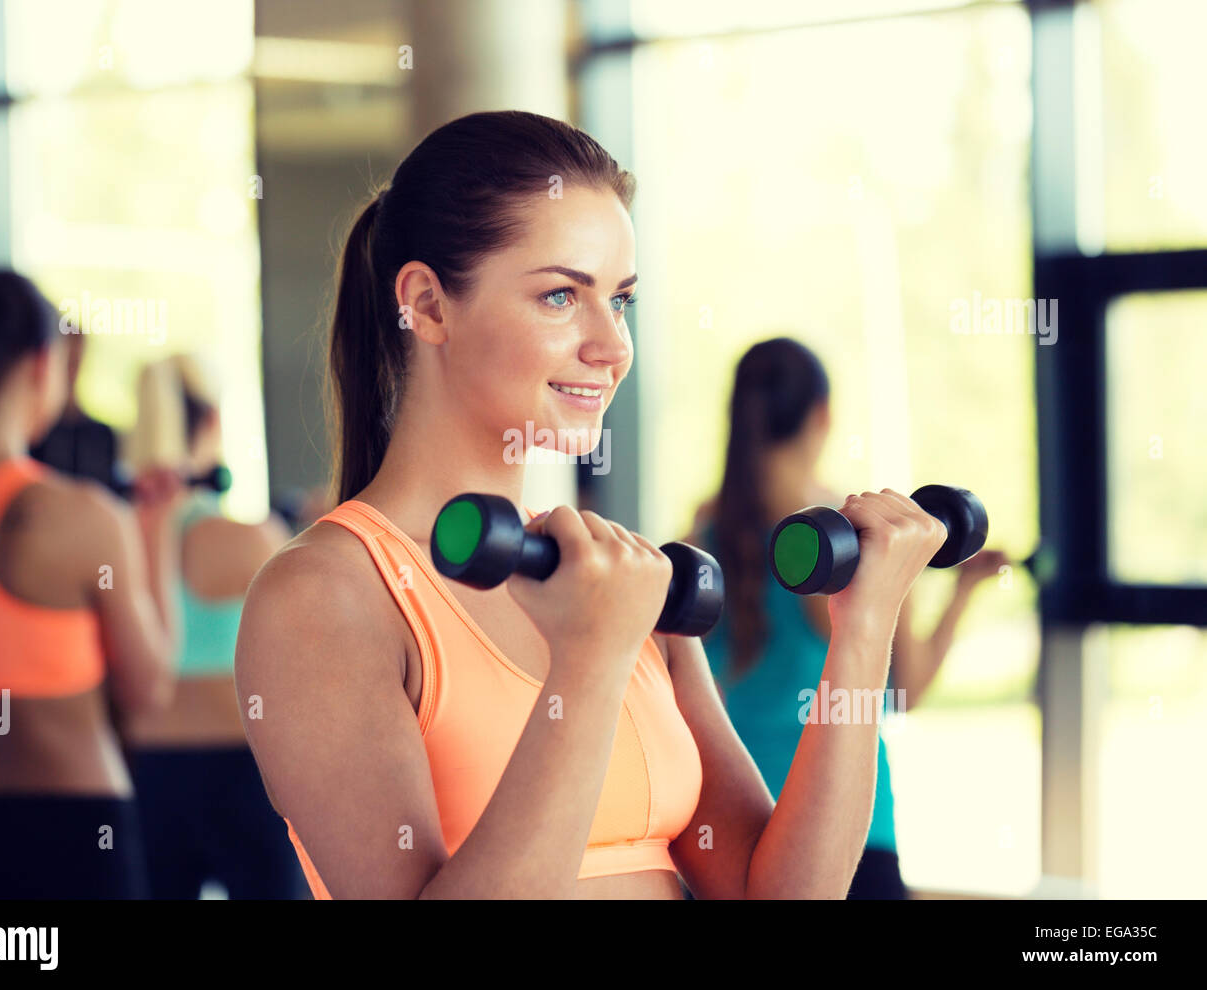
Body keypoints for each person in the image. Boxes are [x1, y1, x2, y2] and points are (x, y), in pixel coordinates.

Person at [235, 110, 947, 899]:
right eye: (559, 297)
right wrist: (589, 661)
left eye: (622, 300)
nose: (612, 345)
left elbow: (774, 894)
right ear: (428, 307)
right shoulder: (325, 597)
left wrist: (862, 632)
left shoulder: (615, 576)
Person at [689, 337, 1008, 899]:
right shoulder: (865, 540)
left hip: (734, 831)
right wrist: (961, 593)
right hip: (845, 831)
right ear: (822, 415)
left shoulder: (704, 537)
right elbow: (905, 690)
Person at [0, 269, 179, 898]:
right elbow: (148, 688)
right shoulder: (82, 517)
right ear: (39, 366)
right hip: (73, 836)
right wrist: (154, 531)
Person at [121, 355, 303, 898]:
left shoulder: (113, 535)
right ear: (210, 424)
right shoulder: (253, 539)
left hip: (147, 771)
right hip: (244, 772)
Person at [29, 329, 119, 490]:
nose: (71, 371)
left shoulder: (102, 435)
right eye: (67, 362)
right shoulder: (34, 433)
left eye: (75, 362)